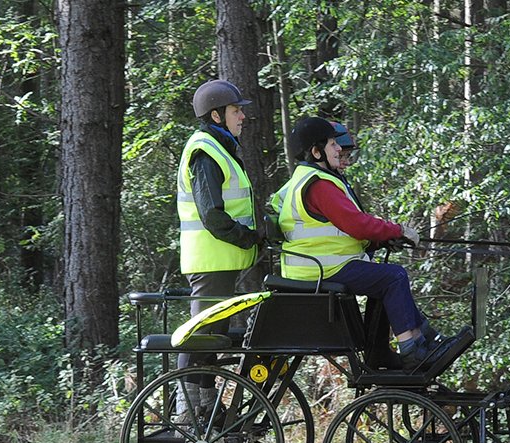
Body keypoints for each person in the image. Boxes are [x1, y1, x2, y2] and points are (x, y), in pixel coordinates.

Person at [271, 116, 465, 368]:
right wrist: (397, 230)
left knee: (385, 278)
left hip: (319, 266)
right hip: (321, 269)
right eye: (332, 144)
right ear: (317, 152)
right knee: (393, 277)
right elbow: (357, 224)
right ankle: (413, 349)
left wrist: (380, 241)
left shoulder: (310, 179)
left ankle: (409, 344)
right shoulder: (319, 185)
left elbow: (337, 231)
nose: (339, 149)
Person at [176, 79, 267, 414]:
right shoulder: (205, 153)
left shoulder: (219, 148)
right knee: (199, 335)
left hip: (220, 262)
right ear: (216, 116)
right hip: (209, 261)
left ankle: (205, 405)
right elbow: (212, 216)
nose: (242, 116)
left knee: (213, 336)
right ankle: (186, 412)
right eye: (235, 110)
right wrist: (248, 237)